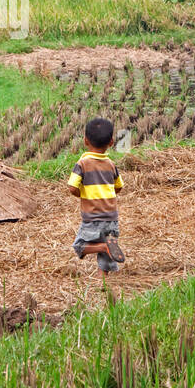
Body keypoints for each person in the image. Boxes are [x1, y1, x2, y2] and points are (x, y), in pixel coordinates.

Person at [68, 117, 125, 276]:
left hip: (92, 218)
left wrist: (84, 194)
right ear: (111, 142)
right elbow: (118, 187)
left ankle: (103, 246)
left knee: (79, 246)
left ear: (85, 141)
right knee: (105, 262)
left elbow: (72, 188)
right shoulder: (111, 164)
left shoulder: (82, 164)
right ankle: (103, 285)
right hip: (111, 218)